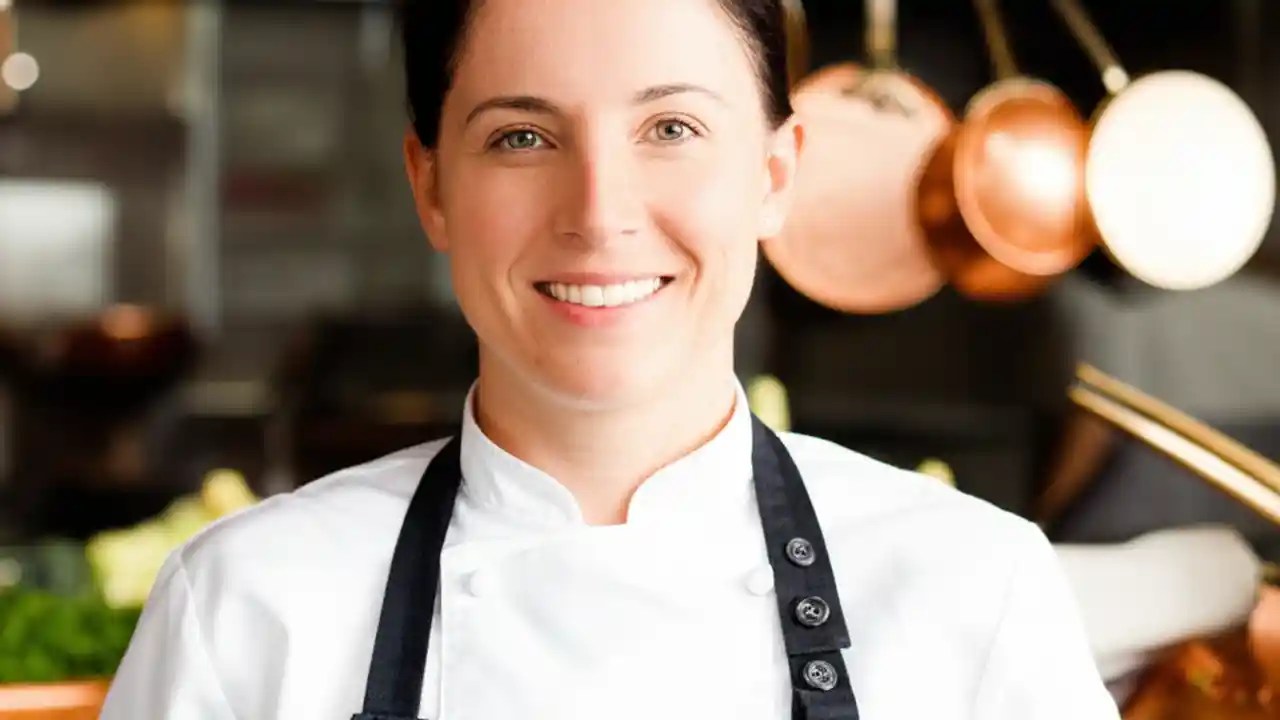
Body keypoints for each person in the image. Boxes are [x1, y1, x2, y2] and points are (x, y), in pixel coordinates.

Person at [101, 0, 1121, 718]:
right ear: (430, 187)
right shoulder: (245, 608)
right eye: (520, 138)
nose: (599, 214)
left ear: (772, 176)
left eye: (668, 127)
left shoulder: (973, 593)